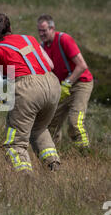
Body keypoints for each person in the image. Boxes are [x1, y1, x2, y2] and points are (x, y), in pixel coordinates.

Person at [0, 13, 61, 176]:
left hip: (27, 88)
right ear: (10, 28)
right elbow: (51, 64)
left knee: (15, 142)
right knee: (39, 129)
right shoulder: (29, 39)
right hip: (52, 84)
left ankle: (24, 179)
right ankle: (53, 165)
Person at [37, 14, 93, 149]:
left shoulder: (64, 39)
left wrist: (67, 83)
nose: (41, 34)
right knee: (51, 123)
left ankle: (84, 153)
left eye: (44, 30)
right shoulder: (42, 47)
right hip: (62, 87)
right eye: (39, 31)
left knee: (75, 122)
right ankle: (56, 154)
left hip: (80, 83)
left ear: (52, 28)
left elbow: (82, 65)